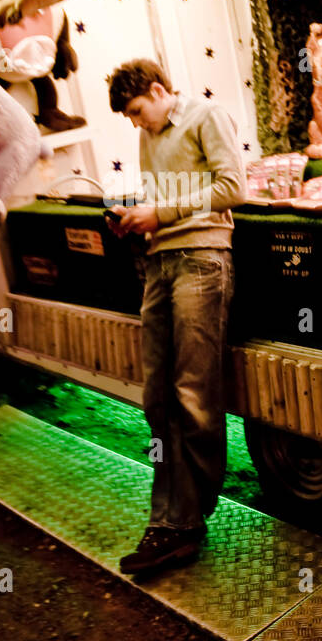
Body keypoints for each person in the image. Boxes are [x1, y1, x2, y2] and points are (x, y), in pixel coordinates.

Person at [104, 58, 245, 575]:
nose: (136, 123)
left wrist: (160, 213)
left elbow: (233, 189)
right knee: (156, 397)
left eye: (138, 110)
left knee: (192, 392)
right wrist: (137, 217)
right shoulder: (148, 135)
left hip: (203, 260)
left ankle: (184, 519)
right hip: (159, 260)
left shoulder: (207, 115)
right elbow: (163, 200)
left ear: (160, 89)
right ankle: (166, 517)